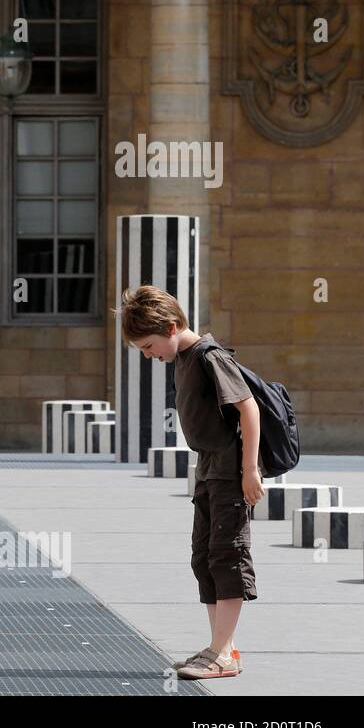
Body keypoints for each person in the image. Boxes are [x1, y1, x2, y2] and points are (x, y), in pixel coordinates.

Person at [115, 285, 263, 681]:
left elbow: (248, 409)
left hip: (230, 473)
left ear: (173, 325)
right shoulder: (182, 357)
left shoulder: (208, 357)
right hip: (208, 471)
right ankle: (221, 646)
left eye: (149, 346)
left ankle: (222, 653)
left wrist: (249, 470)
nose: (149, 355)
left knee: (227, 557)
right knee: (204, 558)